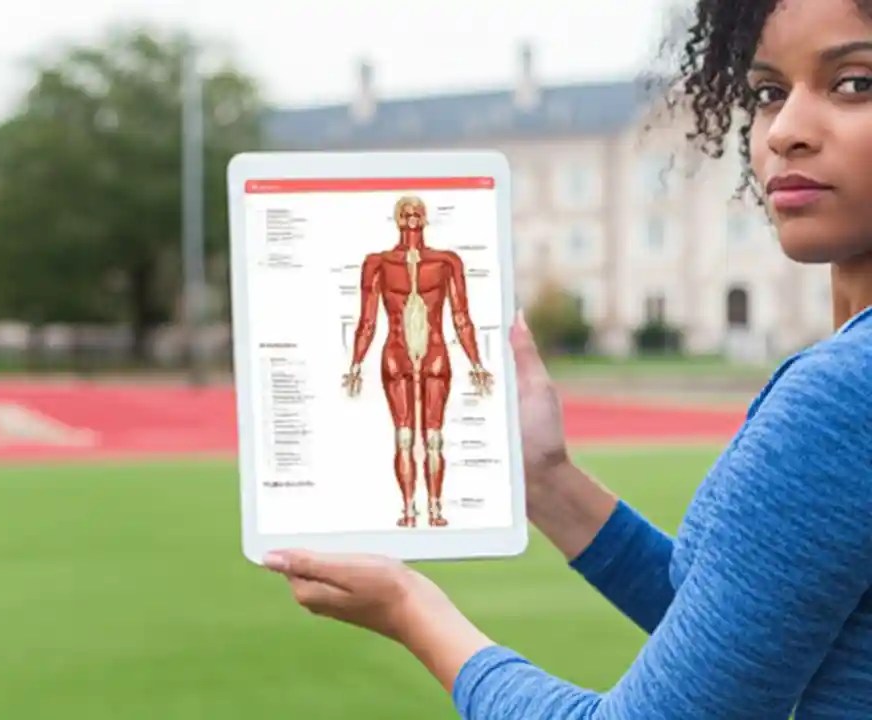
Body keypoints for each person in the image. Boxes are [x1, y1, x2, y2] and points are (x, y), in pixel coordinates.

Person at [260, 0, 872, 716]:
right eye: (768, 92)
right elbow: (745, 626)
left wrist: (412, 608)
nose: (787, 131)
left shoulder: (842, 395)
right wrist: (547, 483)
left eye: (855, 83)